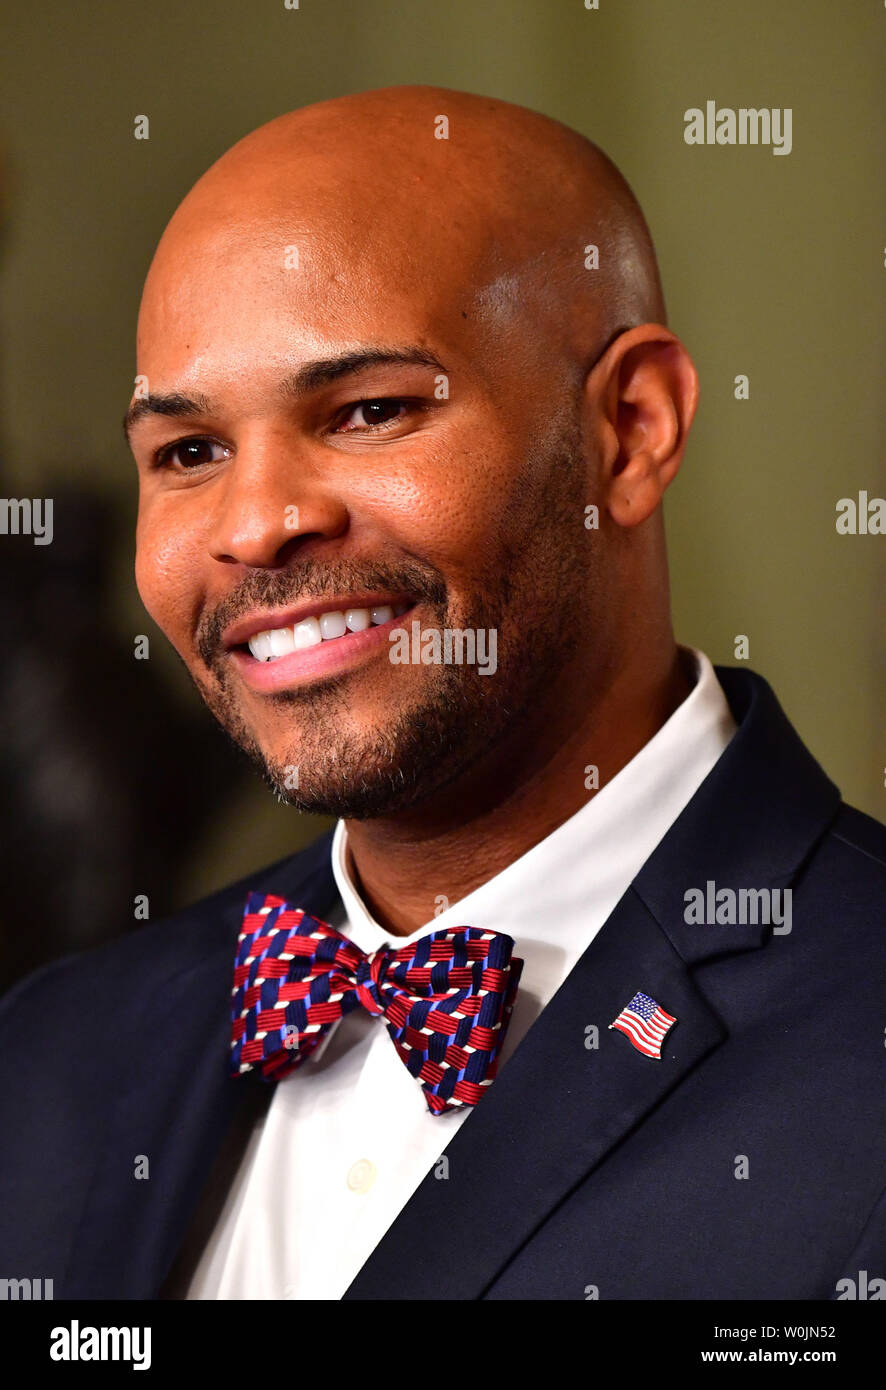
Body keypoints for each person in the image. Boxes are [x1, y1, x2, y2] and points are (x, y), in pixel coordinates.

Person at [1, 85, 883, 1302]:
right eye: (189, 452)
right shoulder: (48, 1056)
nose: (256, 526)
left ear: (628, 432)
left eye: (368, 411)